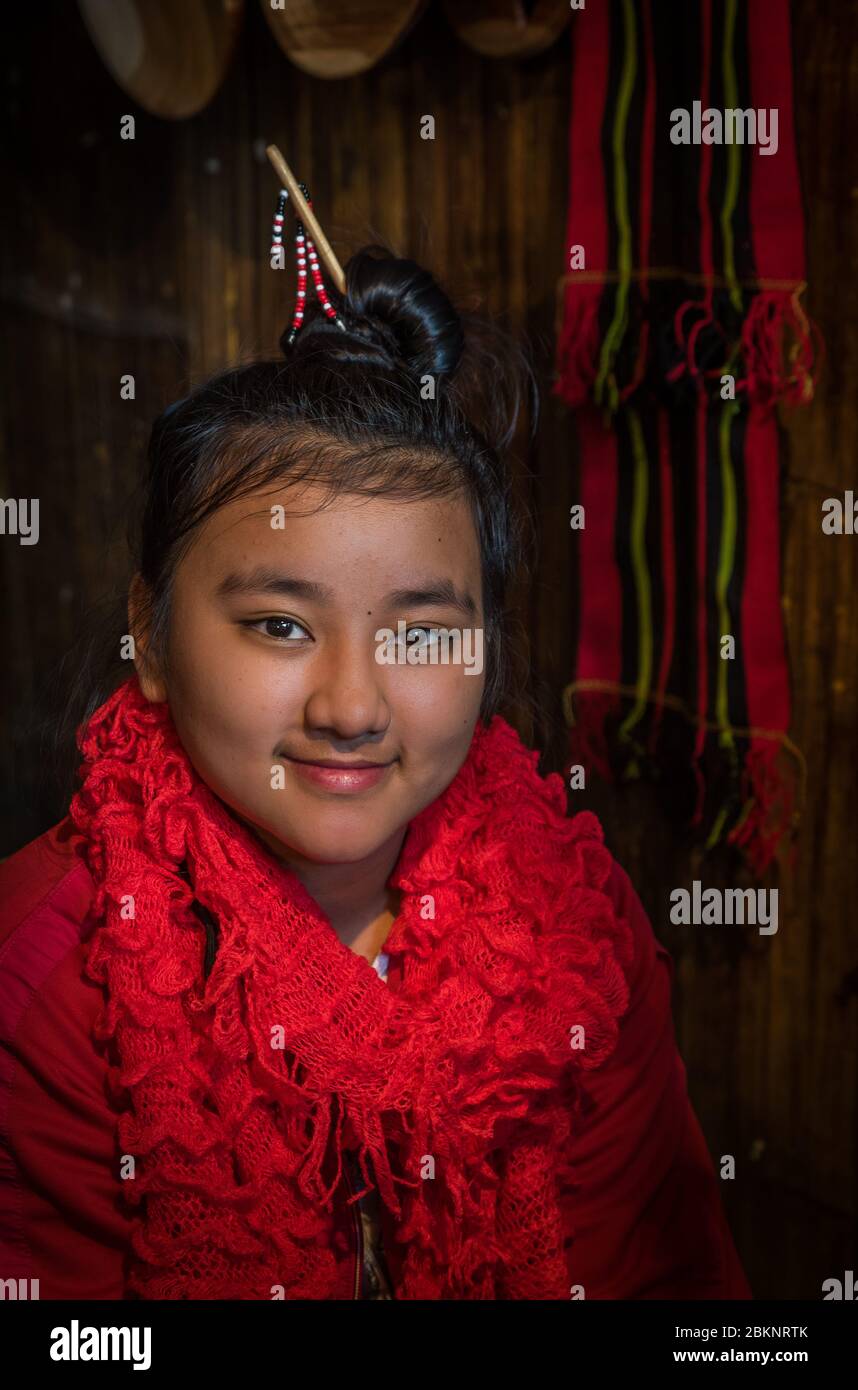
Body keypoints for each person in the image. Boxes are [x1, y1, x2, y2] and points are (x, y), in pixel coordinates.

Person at [0, 246, 752, 1301]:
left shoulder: (574, 931)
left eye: (421, 631)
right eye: (278, 624)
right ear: (154, 638)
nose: (350, 708)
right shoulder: (43, 979)